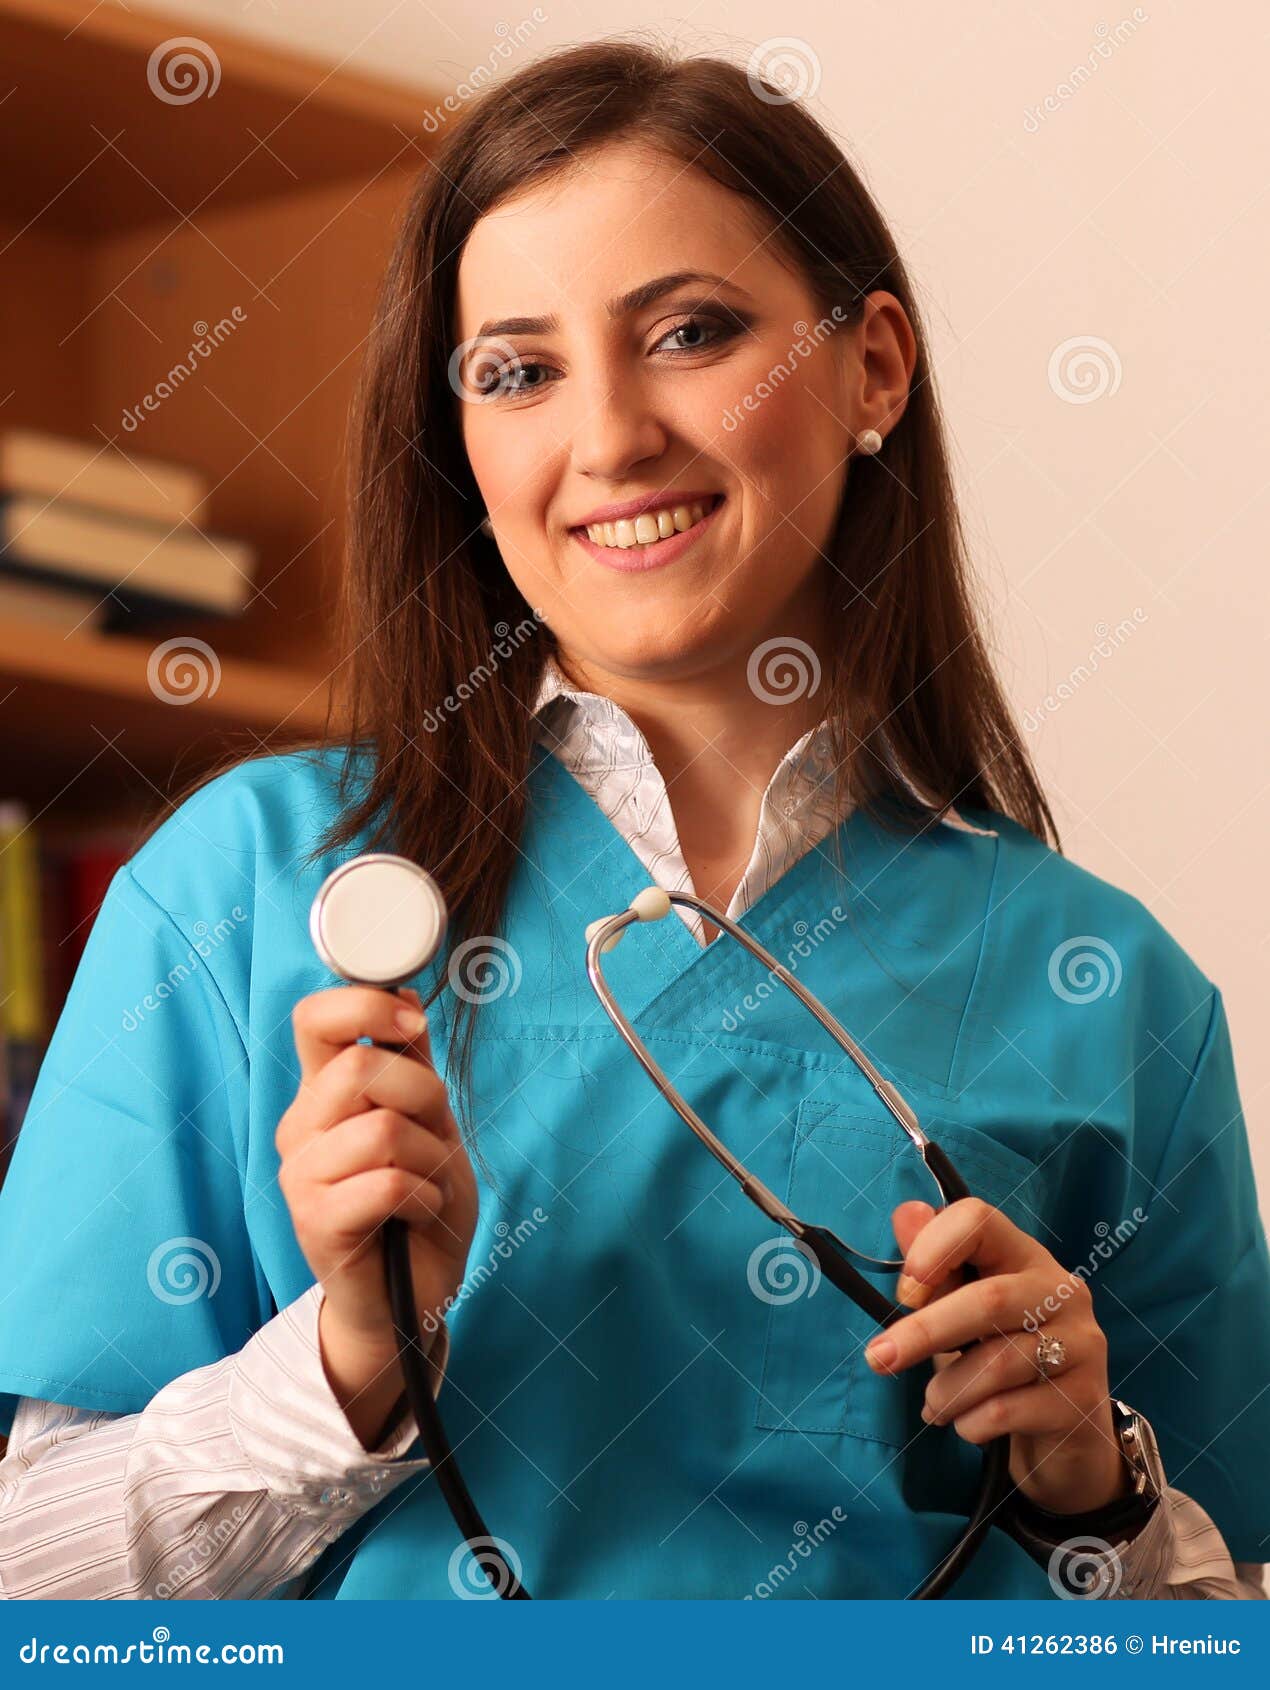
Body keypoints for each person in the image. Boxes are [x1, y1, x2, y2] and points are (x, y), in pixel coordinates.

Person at [0, 40, 1266, 1602]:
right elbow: (29, 1595)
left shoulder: (1107, 985)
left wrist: (1097, 1487)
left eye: (688, 333)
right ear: (458, 439)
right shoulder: (241, 886)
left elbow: (1221, 1622)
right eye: (516, 371)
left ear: (873, 367)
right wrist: (345, 1365)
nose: (607, 439)